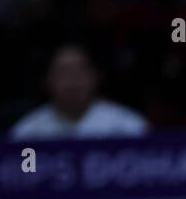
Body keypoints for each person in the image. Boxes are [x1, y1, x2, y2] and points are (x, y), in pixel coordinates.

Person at [10, 44, 149, 140]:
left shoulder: (128, 126)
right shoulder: (28, 132)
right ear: (46, 80)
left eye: (79, 72)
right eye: (63, 73)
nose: (72, 81)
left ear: (95, 76)